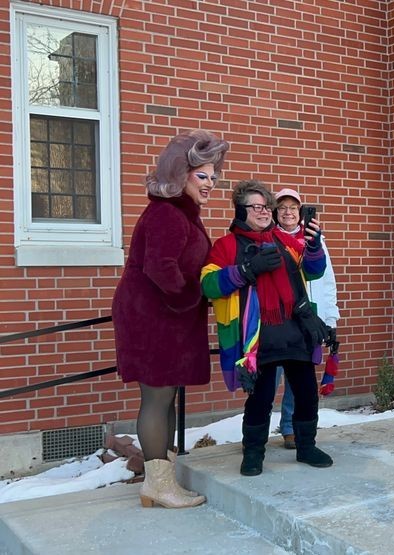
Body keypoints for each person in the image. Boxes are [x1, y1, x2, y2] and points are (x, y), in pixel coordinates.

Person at [112, 130, 229, 508]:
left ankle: (164, 480)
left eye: (214, 175)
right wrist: (195, 295)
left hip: (168, 321)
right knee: (157, 397)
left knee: (167, 396)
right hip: (153, 321)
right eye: (202, 175)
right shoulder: (166, 214)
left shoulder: (181, 213)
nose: (210, 183)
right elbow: (162, 270)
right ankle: (156, 485)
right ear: (181, 174)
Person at [201, 179, 335, 476]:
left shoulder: (284, 239)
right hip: (258, 337)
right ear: (240, 210)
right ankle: (253, 453)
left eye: (267, 206)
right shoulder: (226, 246)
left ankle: (306, 446)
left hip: (296, 328)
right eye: (257, 206)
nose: (264, 212)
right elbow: (208, 284)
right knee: (260, 398)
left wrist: (313, 246)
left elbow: (314, 271)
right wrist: (246, 271)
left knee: (306, 392)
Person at [271, 188, 340, 450]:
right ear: (275, 212)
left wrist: (330, 317)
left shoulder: (313, 239)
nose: (288, 212)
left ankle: (290, 428)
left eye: (293, 207)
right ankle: (256, 428)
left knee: (298, 378)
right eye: (282, 208)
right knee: (269, 377)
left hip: (306, 319)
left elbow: (327, 280)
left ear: (301, 212)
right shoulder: (268, 237)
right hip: (276, 318)